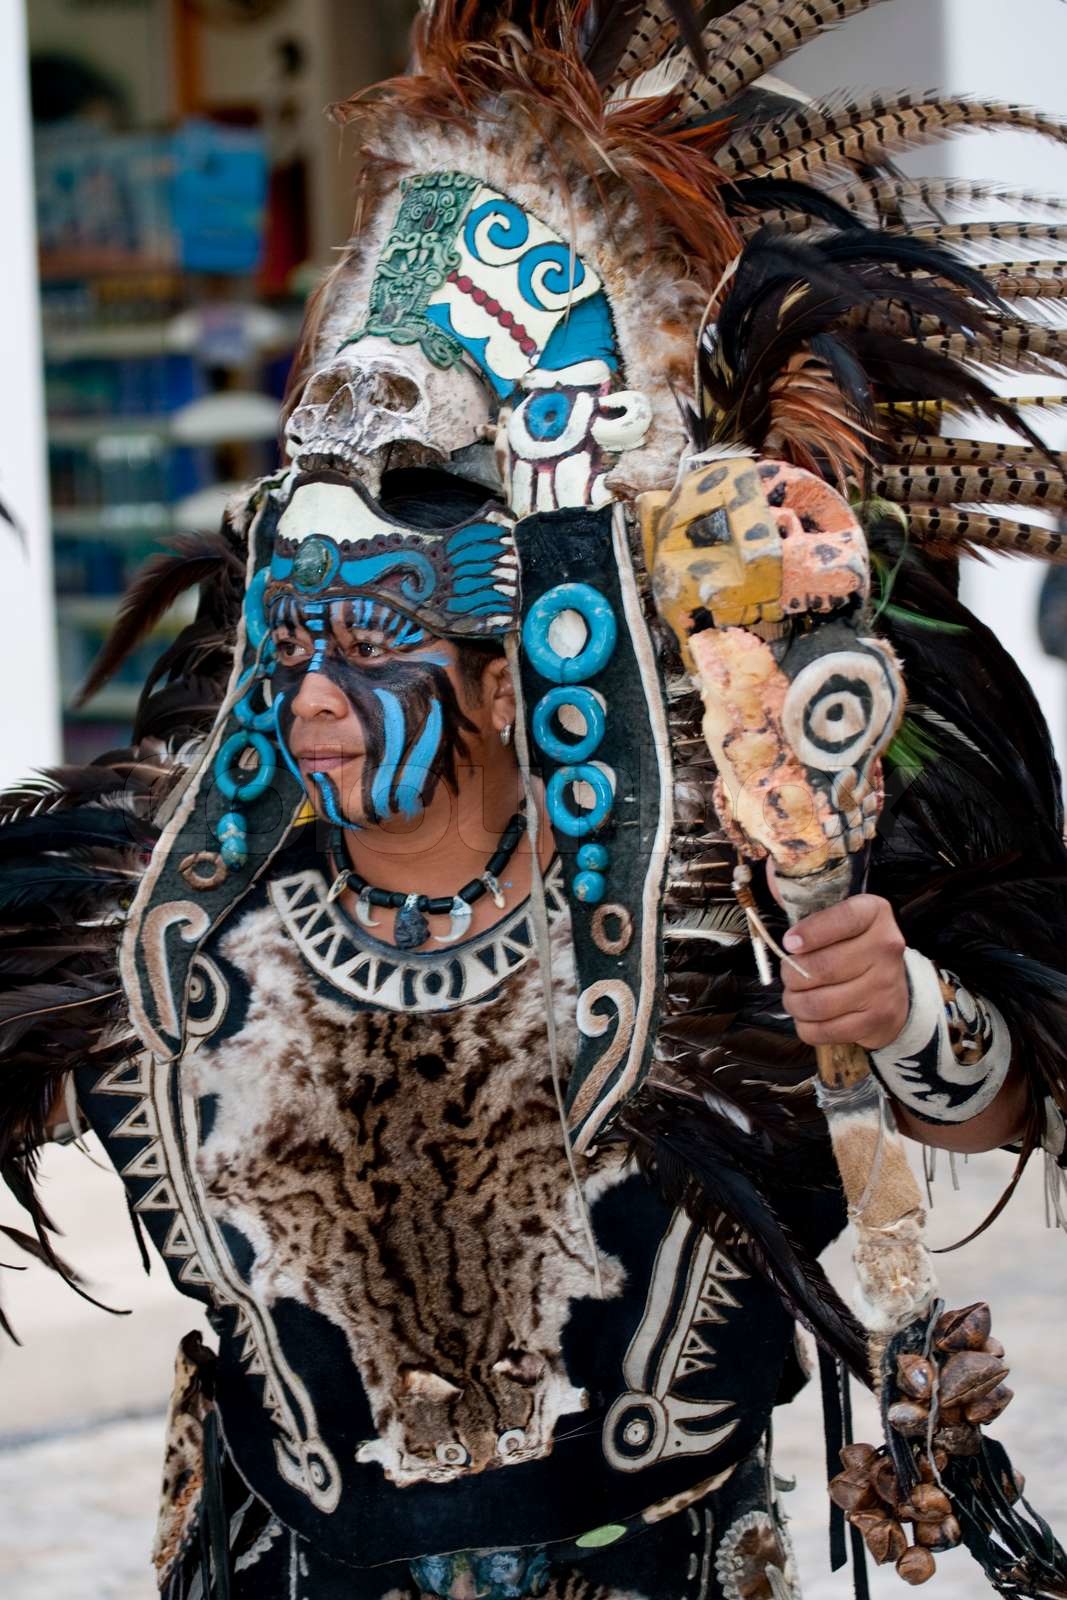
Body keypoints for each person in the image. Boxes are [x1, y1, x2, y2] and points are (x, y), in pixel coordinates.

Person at [4, 5, 1067, 1597]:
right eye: (289, 640)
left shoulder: (708, 934)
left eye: (370, 642)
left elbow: (988, 1104)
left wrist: (904, 1003)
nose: (308, 695)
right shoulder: (163, 949)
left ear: (514, 676)